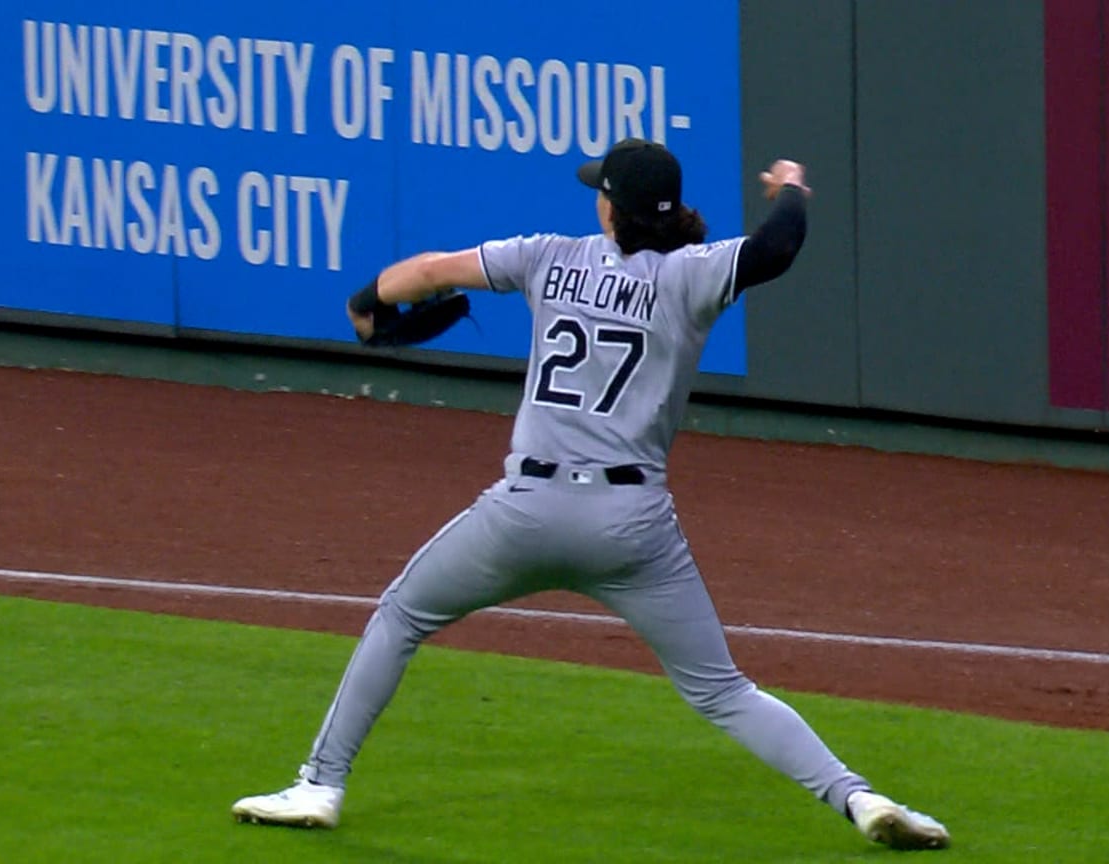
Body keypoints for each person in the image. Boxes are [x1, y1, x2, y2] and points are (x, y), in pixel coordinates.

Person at [230, 138, 950, 851]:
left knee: (401, 615)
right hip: (631, 529)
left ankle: (320, 784)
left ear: (611, 209)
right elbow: (777, 247)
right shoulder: (693, 274)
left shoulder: (549, 257)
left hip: (524, 514)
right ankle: (859, 798)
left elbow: (425, 272)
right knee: (723, 691)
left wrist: (367, 301)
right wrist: (791, 183)